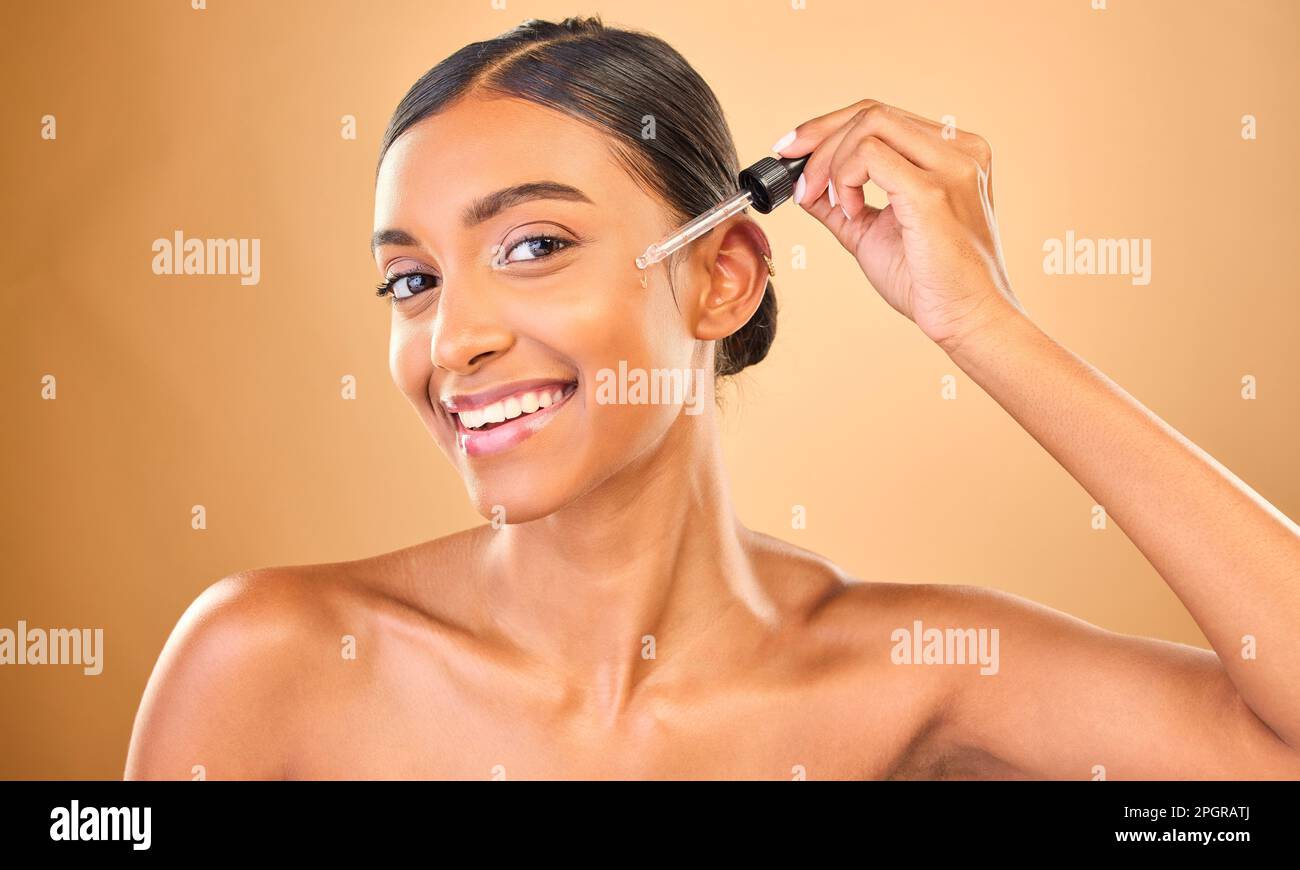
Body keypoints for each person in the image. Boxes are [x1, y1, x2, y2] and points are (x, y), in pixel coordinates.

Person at [125, 15, 1300, 780]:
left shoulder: (916, 679)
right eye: (410, 281)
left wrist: (982, 323)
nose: (454, 338)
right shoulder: (267, 663)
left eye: (533, 246)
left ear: (721, 275)